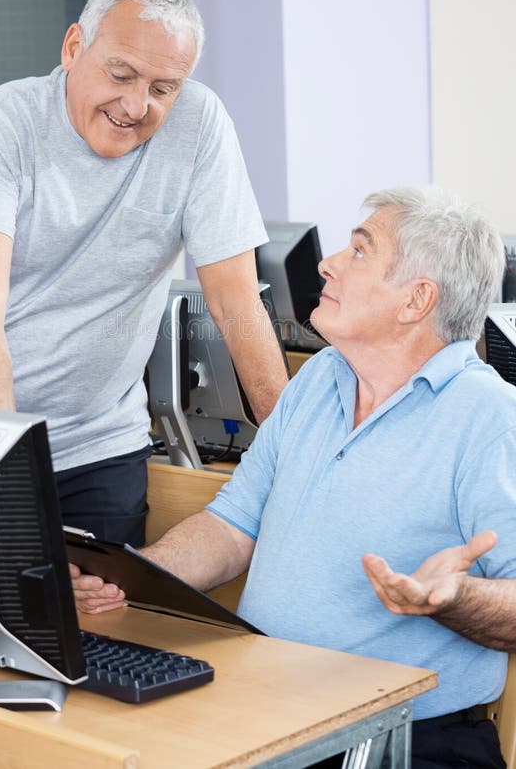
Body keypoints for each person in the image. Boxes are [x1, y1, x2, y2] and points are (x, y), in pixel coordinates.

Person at [72, 186, 516, 769]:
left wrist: (453, 598)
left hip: (399, 741)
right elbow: (232, 527)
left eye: (359, 251)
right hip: (266, 713)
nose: (328, 264)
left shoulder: (491, 417)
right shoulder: (319, 377)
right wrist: (129, 575)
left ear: (416, 300)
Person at [0, 0, 289, 547]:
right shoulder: (4, 123)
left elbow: (235, 297)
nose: (136, 105)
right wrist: (10, 473)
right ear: (73, 48)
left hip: (100, 441)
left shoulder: (200, 125)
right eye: (121, 75)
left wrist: (292, 449)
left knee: (105, 601)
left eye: (163, 88)